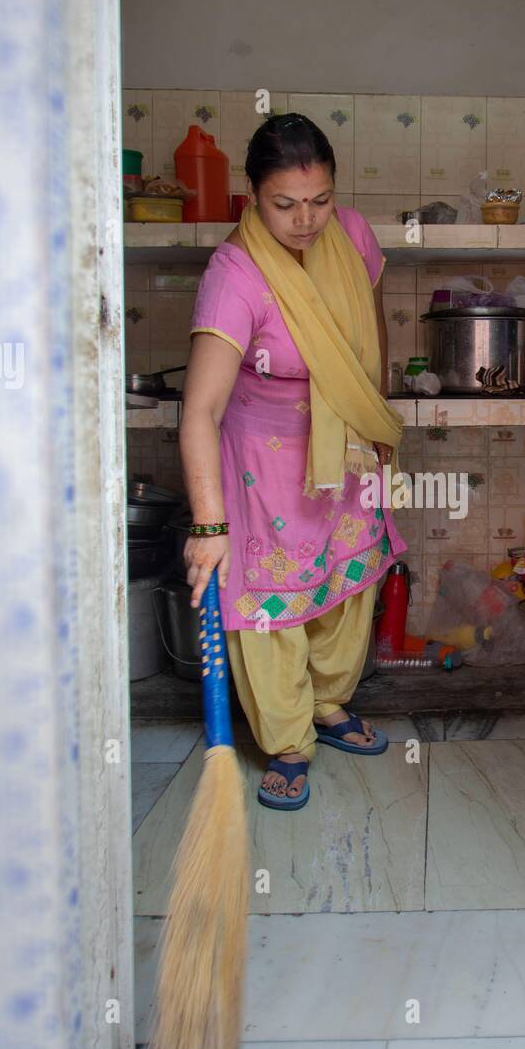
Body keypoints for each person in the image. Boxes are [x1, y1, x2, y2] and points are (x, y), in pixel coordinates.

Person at [179, 113, 408, 810]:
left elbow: (370, 332)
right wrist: (209, 527)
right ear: (252, 195)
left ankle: (330, 707)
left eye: (319, 200)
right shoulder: (235, 274)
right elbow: (199, 411)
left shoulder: (355, 237)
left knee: (347, 584)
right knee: (273, 603)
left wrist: (376, 422)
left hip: (345, 448)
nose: (306, 221)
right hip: (263, 463)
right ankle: (286, 740)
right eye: (285, 204)